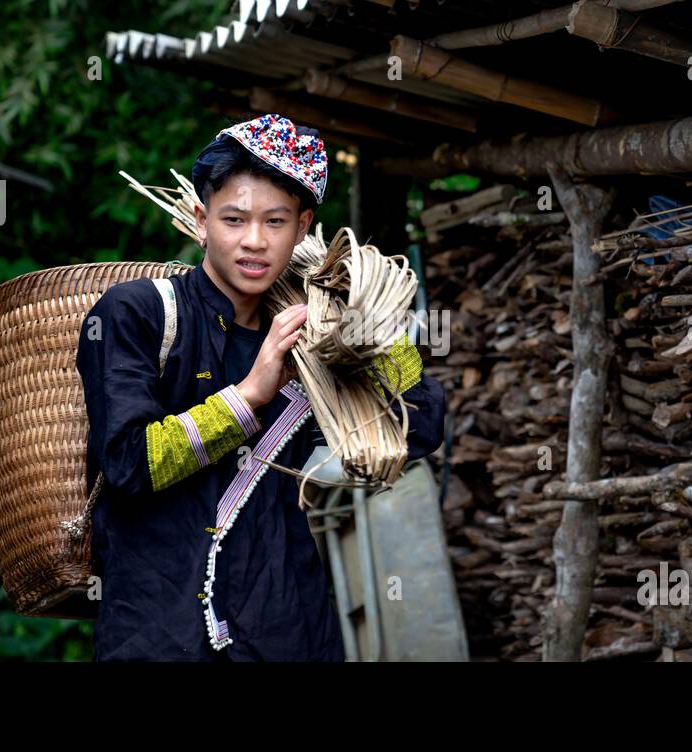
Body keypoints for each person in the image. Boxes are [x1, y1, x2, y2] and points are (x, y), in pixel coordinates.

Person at [75, 113, 446, 661]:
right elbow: (129, 463)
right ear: (201, 220)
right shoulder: (139, 315)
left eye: (275, 222)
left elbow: (419, 426)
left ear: (302, 227)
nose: (254, 241)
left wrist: (368, 322)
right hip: (157, 634)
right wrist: (251, 393)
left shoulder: (316, 344)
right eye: (234, 219)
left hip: (286, 628)